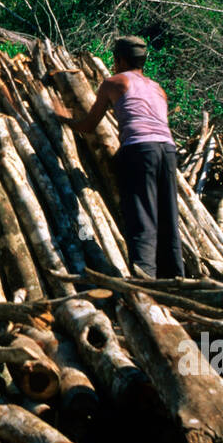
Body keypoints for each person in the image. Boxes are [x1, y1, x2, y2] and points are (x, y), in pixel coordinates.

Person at [55, 35, 184, 279]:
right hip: (167, 150)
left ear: (120, 60)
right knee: (168, 215)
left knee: (141, 215)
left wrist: (65, 118)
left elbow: (90, 125)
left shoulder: (114, 83)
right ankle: (175, 276)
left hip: (139, 150)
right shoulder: (158, 89)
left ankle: (145, 277)